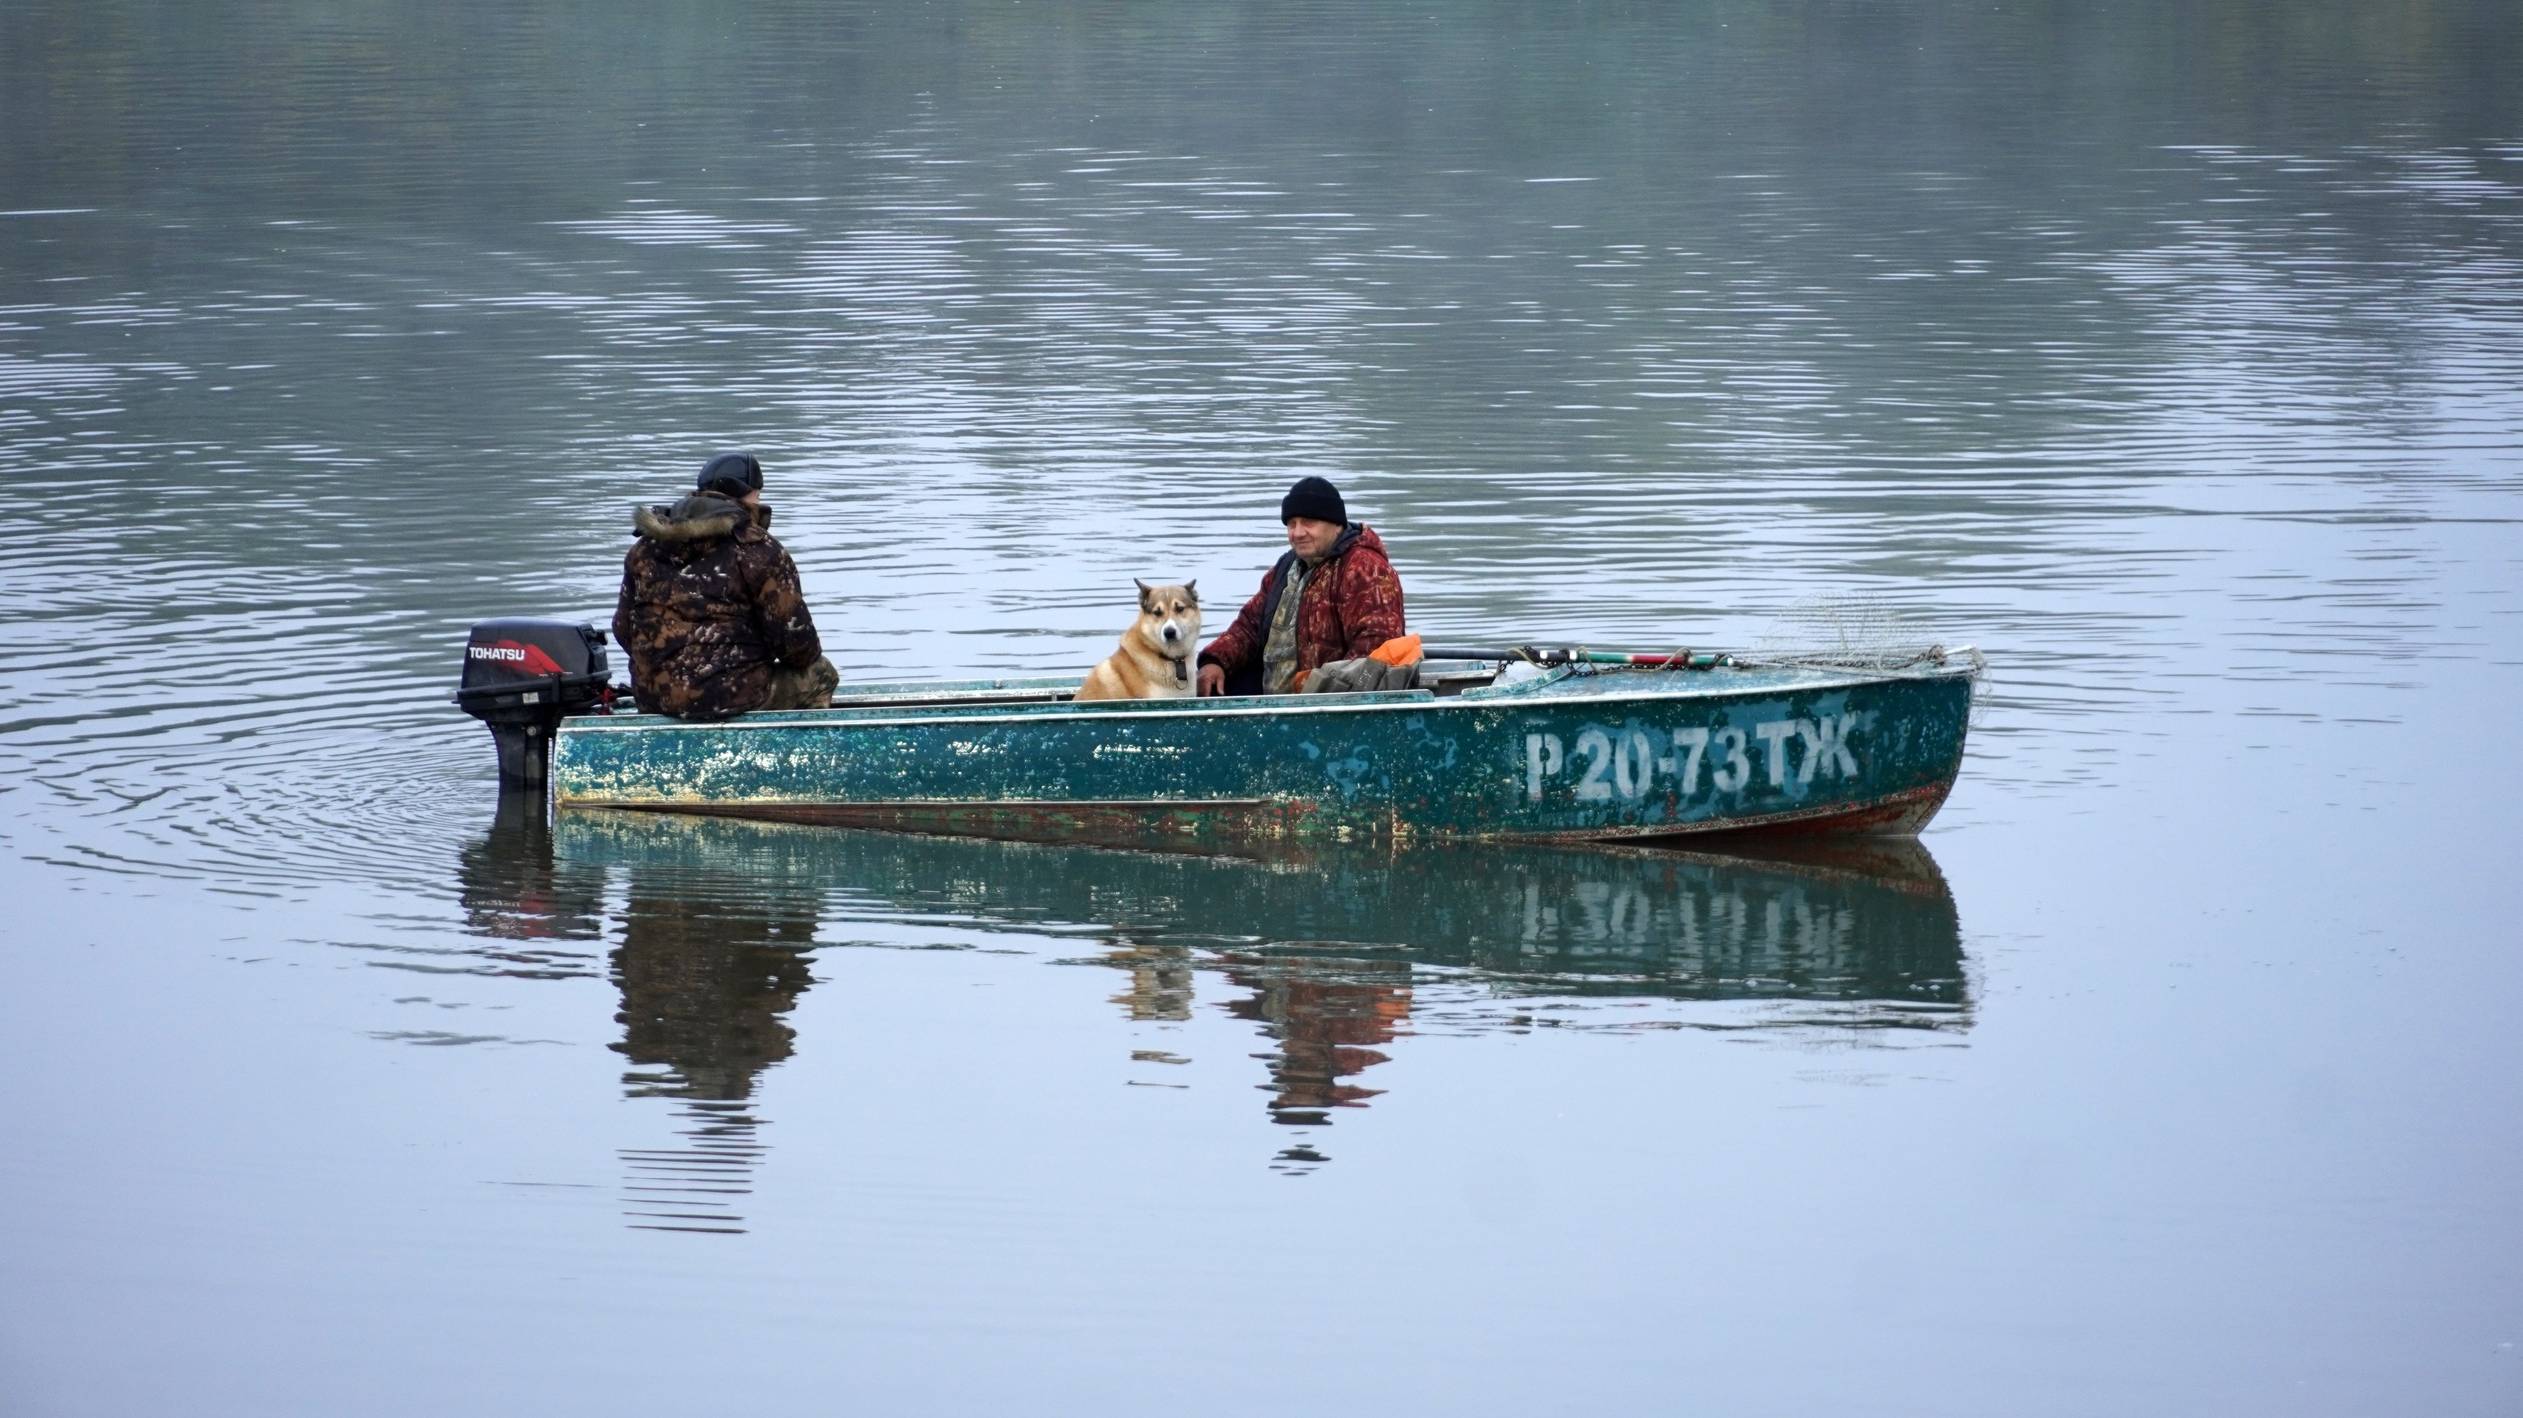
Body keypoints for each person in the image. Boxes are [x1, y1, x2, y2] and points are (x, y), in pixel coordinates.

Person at [612, 451, 839, 720]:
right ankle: (794, 754)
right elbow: (797, 645)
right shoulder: (758, 549)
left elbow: (623, 629)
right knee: (821, 673)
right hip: (733, 697)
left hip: (654, 698)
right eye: (758, 494)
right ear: (750, 494)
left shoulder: (644, 549)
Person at [1196, 476, 1405, 696]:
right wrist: (1215, 661)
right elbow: (1248, 627)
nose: (1297, 533)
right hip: (1277, 706)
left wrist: (1319, 685)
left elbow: (1377, 649)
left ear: (1336, 524)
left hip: (1333, 707)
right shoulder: (1285, 568)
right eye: (1291, 524)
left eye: (1308, 522)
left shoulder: (1365, 568)